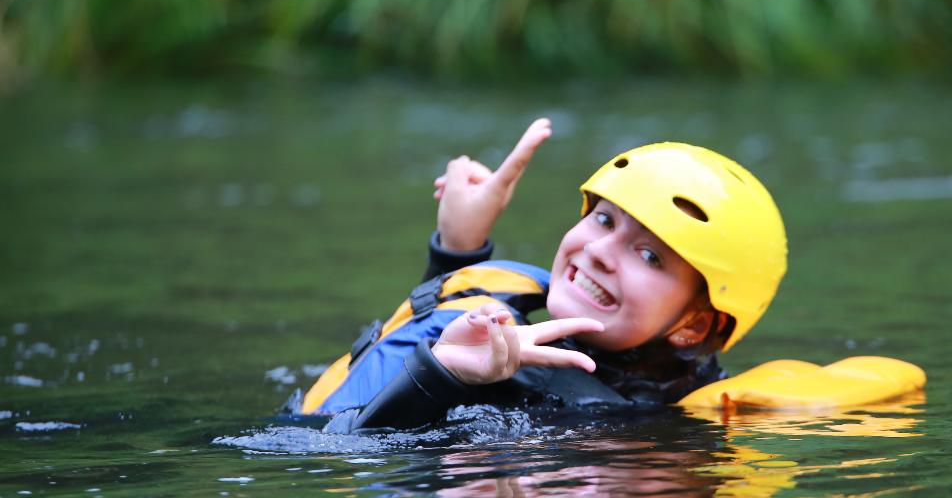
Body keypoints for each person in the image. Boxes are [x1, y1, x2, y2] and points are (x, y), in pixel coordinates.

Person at [297, 118, 787, 432]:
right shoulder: (501, 345)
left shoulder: (668, 432)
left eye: (650, 256)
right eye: (603, 219)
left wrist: (447, 374)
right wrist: (456, 252)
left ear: (694, 327)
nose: (599, 251)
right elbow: (346, 443)